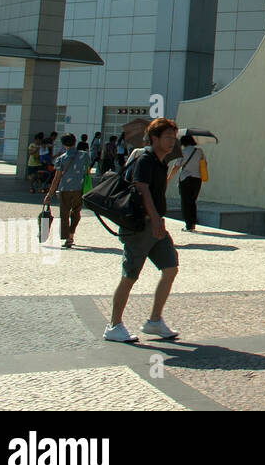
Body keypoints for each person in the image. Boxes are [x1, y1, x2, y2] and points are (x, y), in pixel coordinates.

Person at [104, 117, 180, 343]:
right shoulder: (146, 159)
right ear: (154, 138)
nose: (171, 142)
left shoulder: (160, 162)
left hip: (155, 226)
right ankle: (114, 325)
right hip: (141, 225)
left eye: (173, 138)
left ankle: (154, 321)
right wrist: (155, 219)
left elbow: (156, 190)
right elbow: (142, 189)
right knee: (130, 275)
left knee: (170, 268)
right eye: (167, 137)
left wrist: (171, 176)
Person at [43, 134, 89, 248]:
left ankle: (66, 236)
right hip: (79, 189)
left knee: (64, 214)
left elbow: (56, 178)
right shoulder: (85, 156)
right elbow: (87, 172)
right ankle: (71, 234)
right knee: (76, 212)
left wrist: (49, 194)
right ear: (75, 141)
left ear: (64, 144)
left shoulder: (61, 159)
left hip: (64, 190)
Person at [174, 133, 206, 232]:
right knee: (193, 201)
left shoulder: (182, 152)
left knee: (185, 201)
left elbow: (176, 166)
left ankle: (188, 224)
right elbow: (204, 164)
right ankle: (193, 223)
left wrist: (169, 177)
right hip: (197, 179)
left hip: (185, 178)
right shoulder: (199, 151)